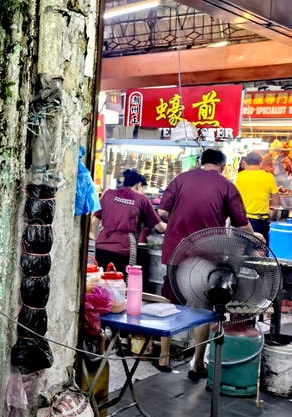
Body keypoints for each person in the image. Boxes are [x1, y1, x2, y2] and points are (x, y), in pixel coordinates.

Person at [157, 148, 257, 379]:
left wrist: (178, 220)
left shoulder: (181, 179)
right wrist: (256, 239)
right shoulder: (226, 186)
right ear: (222, 166)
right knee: (202, 307)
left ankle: (163, 357)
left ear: (201, 162)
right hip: (206, 256)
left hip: (175, 252)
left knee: (170, 304)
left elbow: (162, 211)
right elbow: (242, 226)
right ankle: (197, 364)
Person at [91, 168, 166, 274]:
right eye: (144, 188)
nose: (144, 192)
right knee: (120, 285)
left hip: (101, 247)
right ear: (139, 185)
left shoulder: (108, 194)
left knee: (101, 282)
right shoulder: (142, 200)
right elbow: (160, 227)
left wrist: (96, 238)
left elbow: (94, 221)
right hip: (123, 249)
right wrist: (176, 226)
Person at [235, 150, 279, 244]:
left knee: (241, 252)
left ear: (245, 162)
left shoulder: (238, 177)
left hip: (242, 222)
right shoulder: (268, 177)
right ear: (261, 162)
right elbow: (276, 201)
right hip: (261, 221)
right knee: (261, 252)